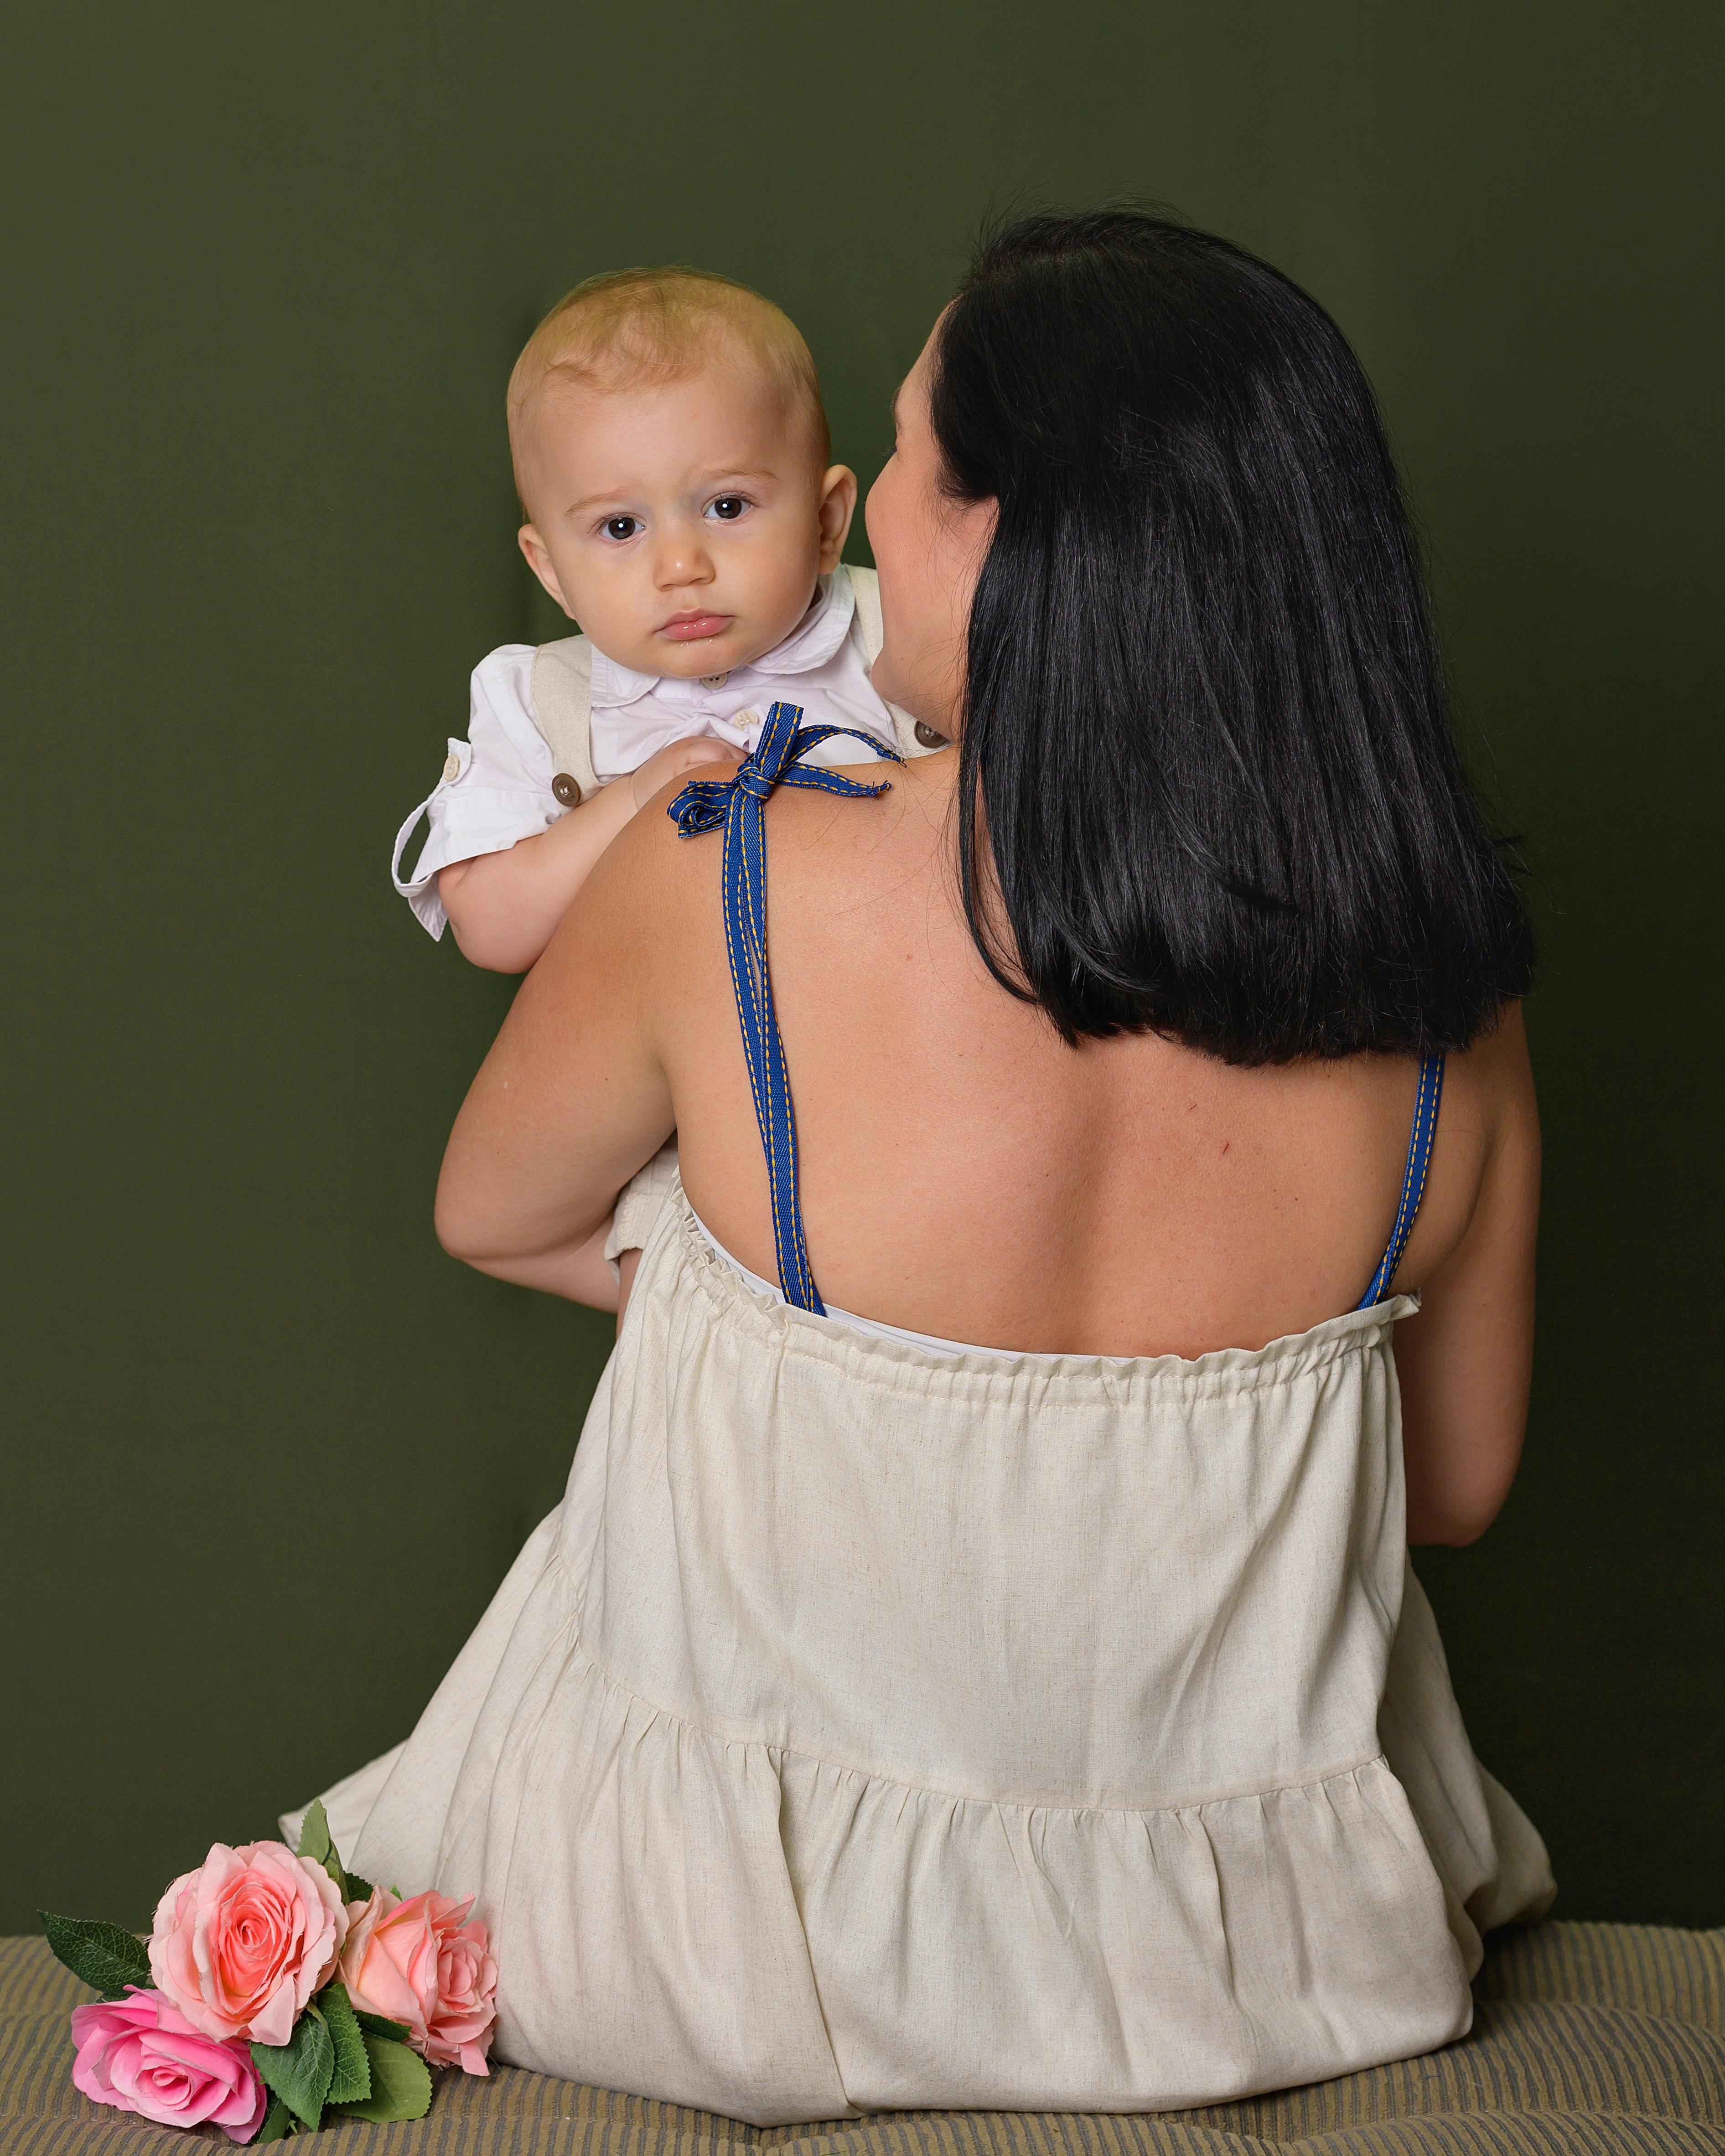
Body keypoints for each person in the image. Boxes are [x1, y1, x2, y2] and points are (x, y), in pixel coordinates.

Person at [299, 209, 1554, 2123]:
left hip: (729, 1951)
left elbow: (495, 1214)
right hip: (1268, 1960)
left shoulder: (724, 871)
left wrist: (818, 1353)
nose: (865, 511)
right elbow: (1449, 1490)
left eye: (900, 461)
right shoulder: (1449, 991)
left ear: (1016, 540)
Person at [389, 267, 935, 1303]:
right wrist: (629, 803)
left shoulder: (894, 637)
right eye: (619, 529)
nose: (680, 564)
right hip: (689, 1117)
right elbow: (492, 923)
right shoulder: (541, 698)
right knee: (672, 1275)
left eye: (727, 507)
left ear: (828, 521)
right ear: (549, 568)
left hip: (912, 1075)